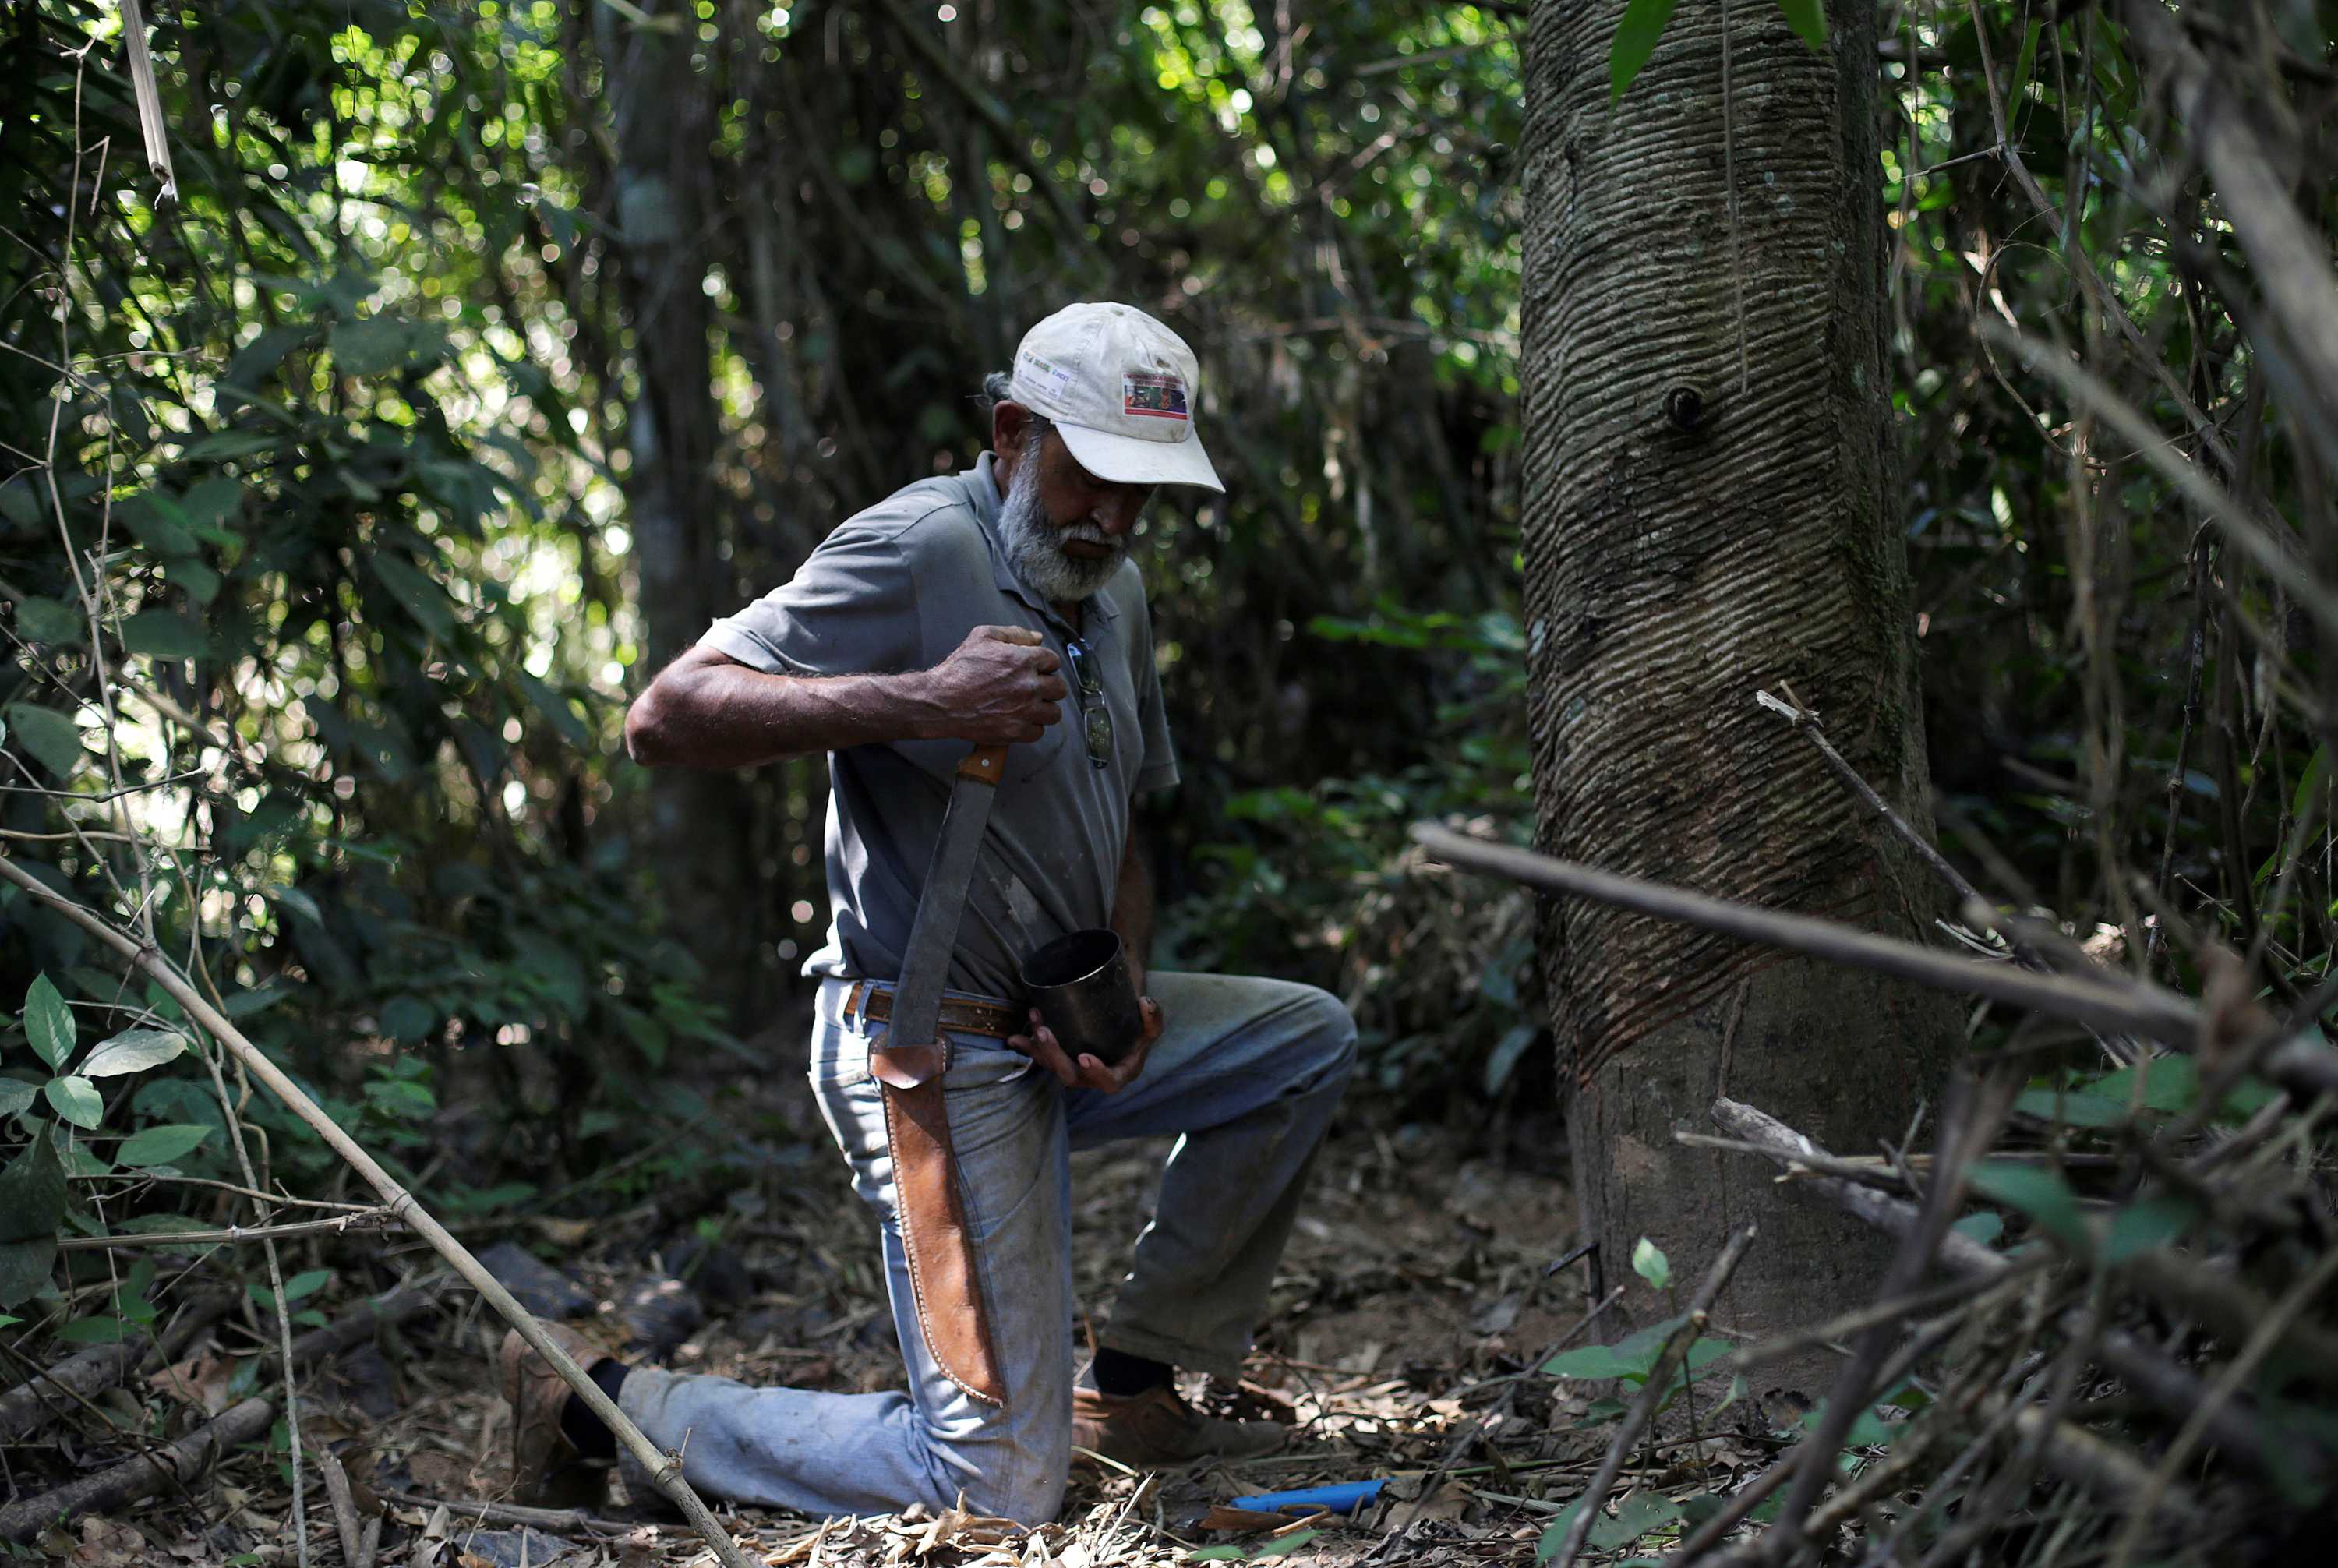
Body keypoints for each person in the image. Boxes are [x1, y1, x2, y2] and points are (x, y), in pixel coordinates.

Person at [500, 302, 1355, 1524]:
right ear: (1015, 434)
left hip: (1048, 1029)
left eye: (1142, 494)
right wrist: (921, 693)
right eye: (1093, 479)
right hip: (929, 1049)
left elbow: (1129, 823)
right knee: (997, 1486)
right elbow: (668, 716)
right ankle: (601, 1398)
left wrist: (1122, 1002)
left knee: (1303, 1040)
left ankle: (1130, 1382)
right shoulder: (916, 546)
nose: (1113, 519)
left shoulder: (1115, 590)